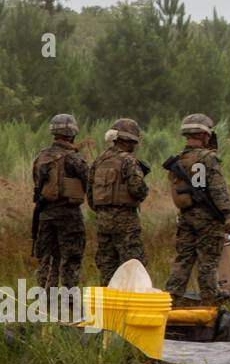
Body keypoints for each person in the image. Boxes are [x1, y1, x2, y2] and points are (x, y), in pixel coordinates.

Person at [164, 113, 230, 305]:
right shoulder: (209, 158)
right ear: (205, 135)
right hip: (207, 218)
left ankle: (171, 297)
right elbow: (218, 188)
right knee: (208, 260)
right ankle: (211, 299)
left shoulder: (180, 160)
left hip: (186, 216)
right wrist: (228, 215)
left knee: (184, 259)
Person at [31, 114, 90, 290]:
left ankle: (43, 294)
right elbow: (90, 182)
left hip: (45, 213)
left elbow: (36, 182)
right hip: (68, 214)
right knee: (71, 257)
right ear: (72, 134)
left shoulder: (41, 156)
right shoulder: (74, 158)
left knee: (46, 257)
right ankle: (69, 298)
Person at [89, 118, 149, 283]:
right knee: (133, 264)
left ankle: (108, 305)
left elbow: (90, 194)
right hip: (126, 221)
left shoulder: (99, 160)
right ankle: (132, 304)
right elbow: (138, 190)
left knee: (107, 265)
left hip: (102, 221)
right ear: (130, 140)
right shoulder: (129, 160)